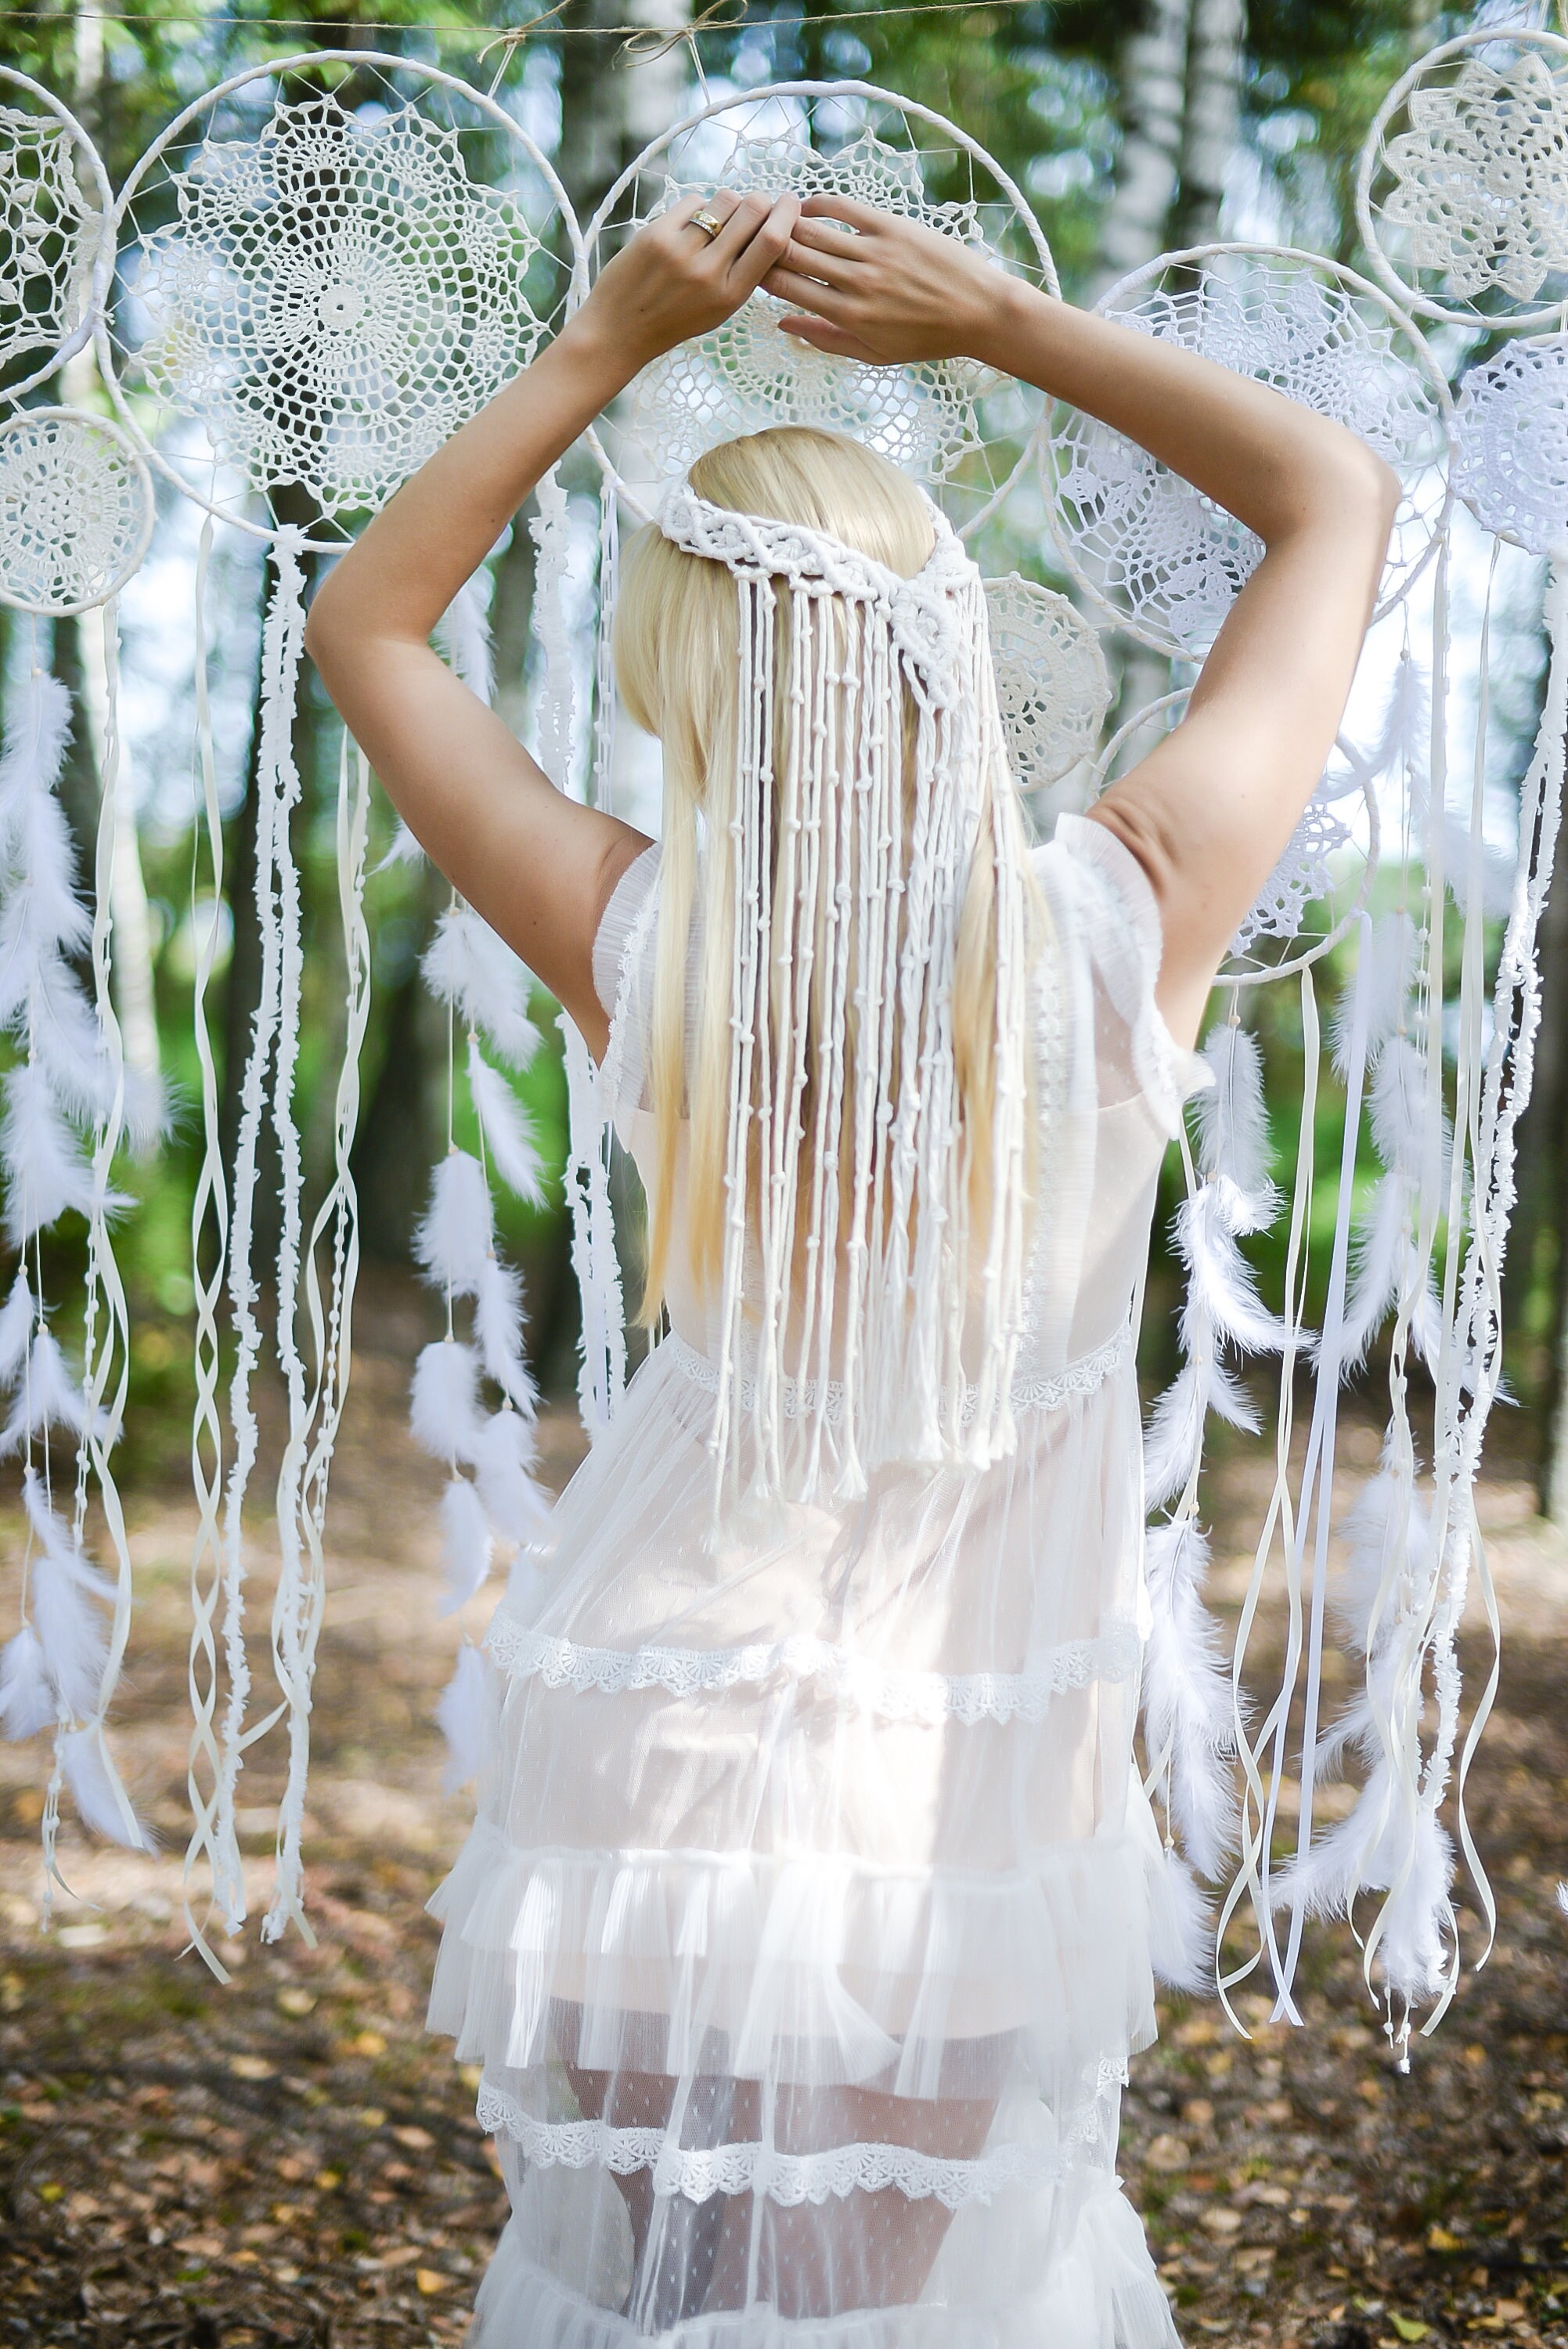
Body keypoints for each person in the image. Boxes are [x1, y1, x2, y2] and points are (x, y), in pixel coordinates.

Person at [307, 186, 1396, 2345]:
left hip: (657, 1715)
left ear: (687, 685)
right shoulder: (1123, 910)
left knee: (665, 2292)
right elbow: (1328, 497)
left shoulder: (637, 936)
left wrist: (598, 346)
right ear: (943, 647)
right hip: (951, 1767)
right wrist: (996, 320)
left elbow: (369, 626)